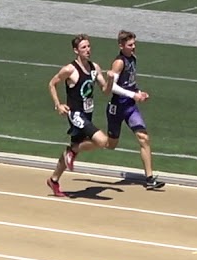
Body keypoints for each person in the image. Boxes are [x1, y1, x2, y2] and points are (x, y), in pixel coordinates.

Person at [46, 34, 111, 197]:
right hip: (75, 114)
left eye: (89, 46)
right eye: (83, 47)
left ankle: (54, 180)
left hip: (88, 113)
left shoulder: (95, 68)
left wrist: (111, 79)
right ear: (76, 50)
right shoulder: (70, 69)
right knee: (102, 141)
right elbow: (52, 84)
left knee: (75, 147)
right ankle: (73, 150)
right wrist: (58, 104)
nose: (88, 50)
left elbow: (105, 90)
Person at [106, 30, 164, 190]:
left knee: (144, 138)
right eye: (130, 45)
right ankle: (81, 145)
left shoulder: (133, 59)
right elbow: (112, 88)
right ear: (121, 46)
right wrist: (133, 95)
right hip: (117, 107)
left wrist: (139, 92)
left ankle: (149, 178)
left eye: (134, 44)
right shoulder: (119, 63)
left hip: (130, 107)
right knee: (110, 144)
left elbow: (130, 82)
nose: (133, 47)